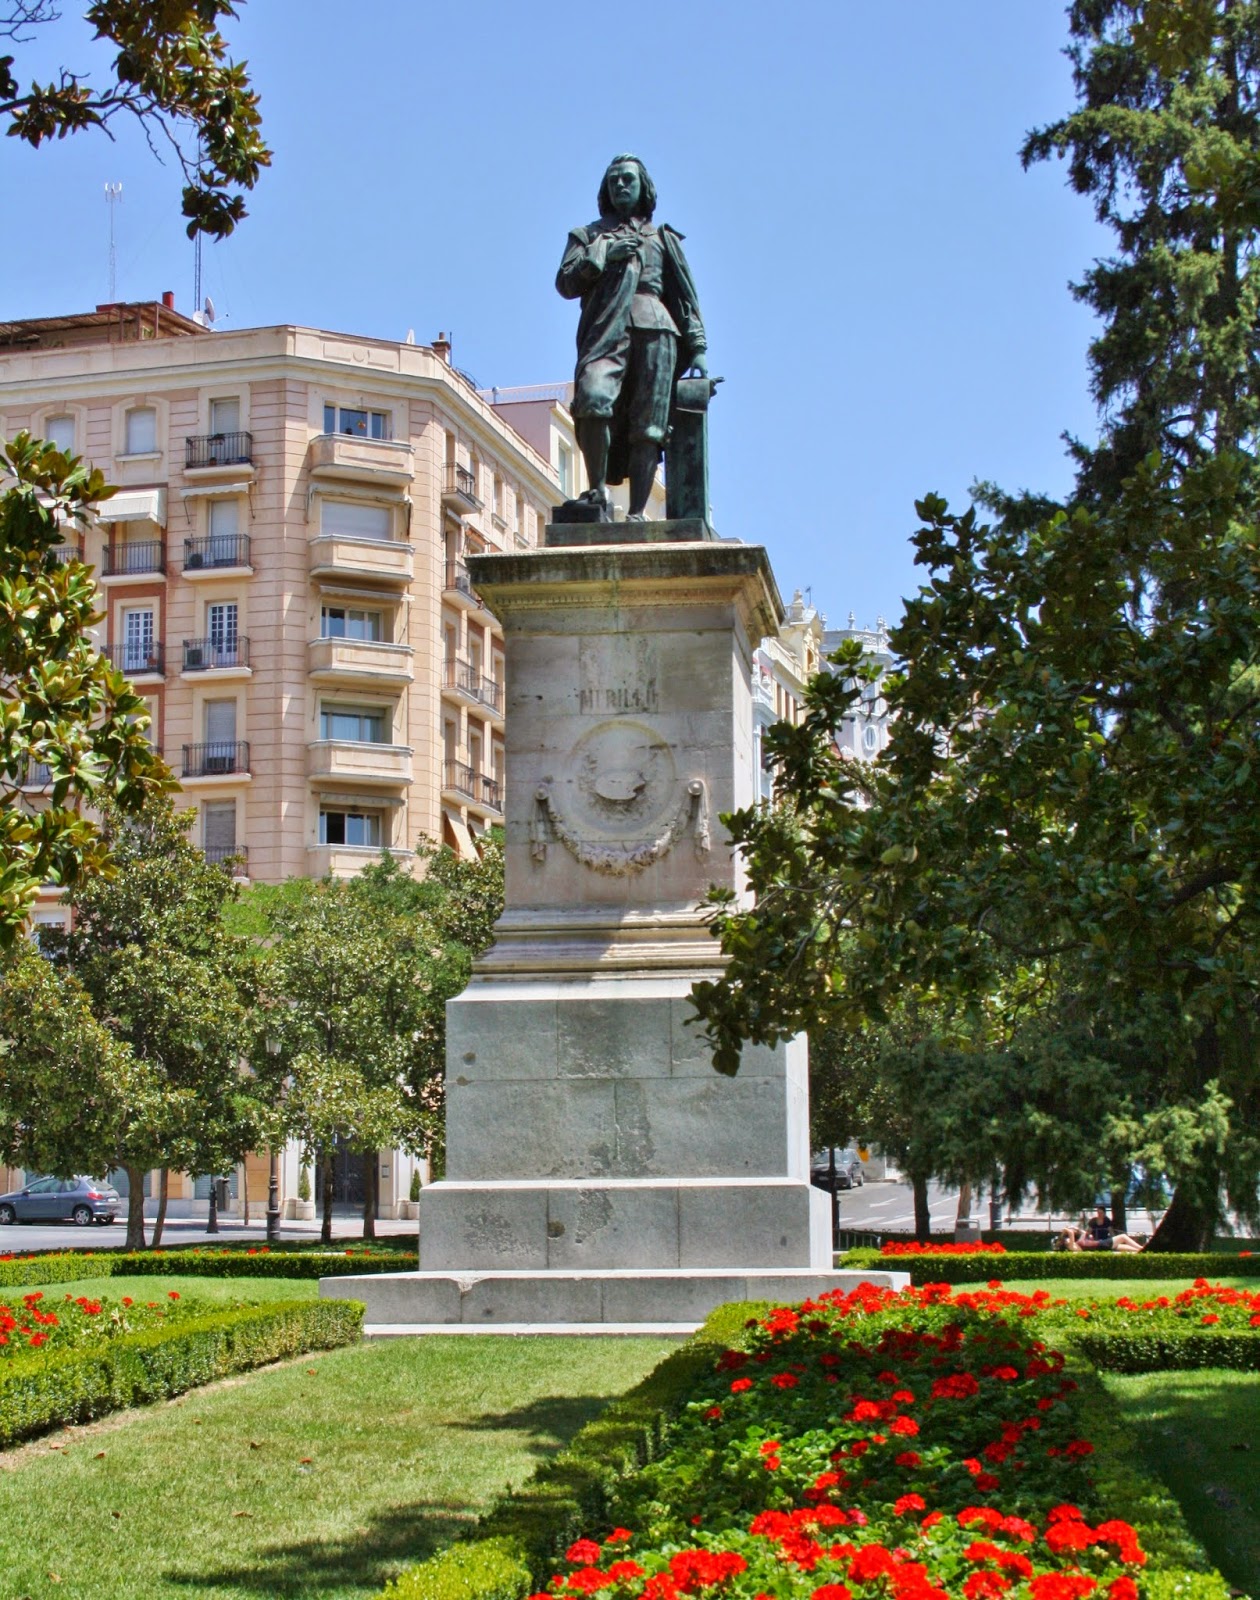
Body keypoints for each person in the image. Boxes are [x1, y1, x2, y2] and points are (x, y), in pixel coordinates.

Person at [556, 153, 707, 521]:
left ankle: (638, 512)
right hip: (605, 330)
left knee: (648, 425)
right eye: (614, 181)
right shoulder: (588, 236)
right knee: (592, 398)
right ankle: (597, 492)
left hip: (656, 330)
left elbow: (684, 296)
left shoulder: (662, 239)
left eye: (628, 179)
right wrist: (604, 252)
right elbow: (566, 283)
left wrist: (699, 348)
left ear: (644, 187)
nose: (621, 185)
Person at [1058, 1205, 1143, 1253]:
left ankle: (1140, 1250)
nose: (1068, 1240)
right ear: (1066, 1245)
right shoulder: (1072, 1247)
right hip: (1100, 1244)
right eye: (1067, 1241)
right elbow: (1071, 1233)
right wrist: (1066, 1230)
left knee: (1120, 1246)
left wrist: (1075, 1228)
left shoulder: (1077, 1243)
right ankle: (1142, 1248)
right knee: (1123, 1236)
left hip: (1101, 1244)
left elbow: (1084, 1233)